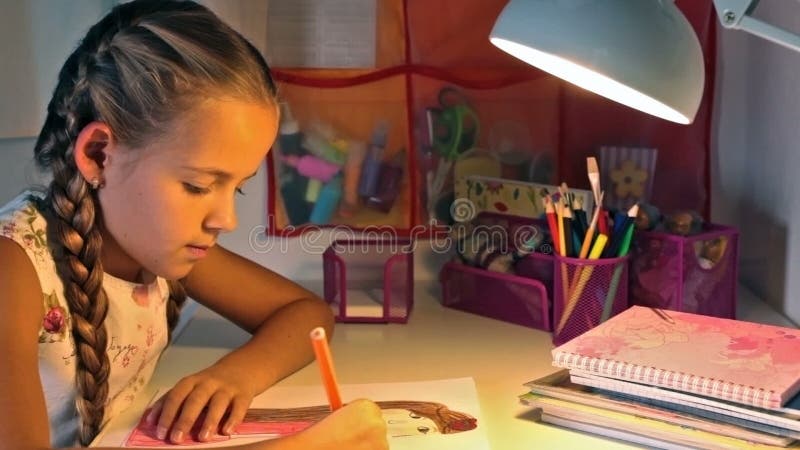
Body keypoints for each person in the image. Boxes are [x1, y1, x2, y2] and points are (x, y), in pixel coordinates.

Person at [0, 1, 388, 449]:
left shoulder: (156, 247)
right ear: (98, 154)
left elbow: (306, 315)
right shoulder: (14, 270)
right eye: (199, 186)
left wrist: (234, 376)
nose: (226, 219)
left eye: (237, 188)